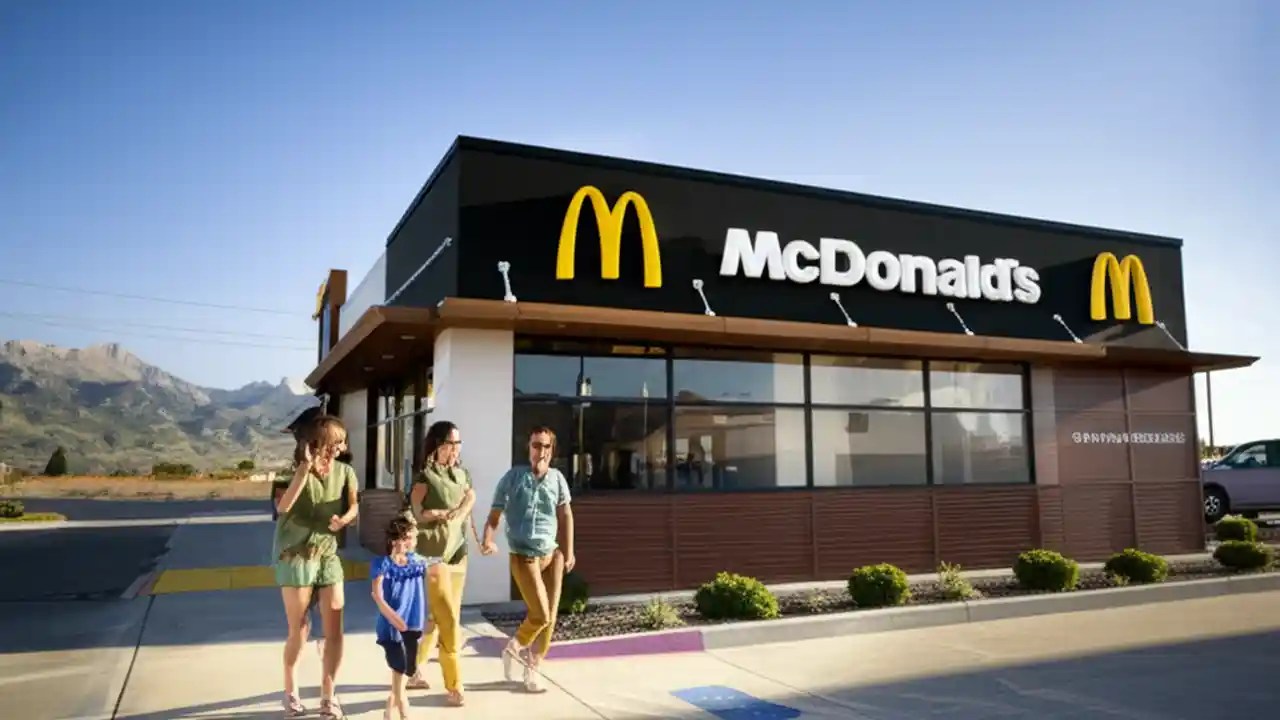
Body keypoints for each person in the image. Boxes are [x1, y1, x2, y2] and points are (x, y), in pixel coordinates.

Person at [273, 414, 359, 719]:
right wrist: (305, 469)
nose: (338, 448)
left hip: (327, 553)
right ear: (314, 444)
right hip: (294, 556)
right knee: (300, 629)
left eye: (341, 442)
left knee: (335, 622)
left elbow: (353, 506)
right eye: (332, 443)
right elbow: (283, 507)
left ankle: (328, 695)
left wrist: (344, 520)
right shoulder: (290, 473)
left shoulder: (346, 472)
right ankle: (290, 691)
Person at [481, 425, 576, 693]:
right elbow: (494, 516)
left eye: (546, 446)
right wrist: (488, 539)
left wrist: (568, 551)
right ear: (529, 448)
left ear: (552, 450)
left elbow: (566, 515)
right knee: (540, 614)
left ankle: (532, 669)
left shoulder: (557, 479)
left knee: (550, 618)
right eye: (536, 445)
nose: (541, 451)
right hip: (524, 556)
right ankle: (513, 647)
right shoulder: (512, 478)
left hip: (552, 555)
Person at [406, 420, 477, 706]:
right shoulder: (425, 477)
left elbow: (471, 496)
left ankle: (412, 670)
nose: (456, 449)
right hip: (432, 556)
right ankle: (454, 684)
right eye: (451, 444)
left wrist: (460, 510)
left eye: (458, 444)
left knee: (437, 620)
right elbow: (415, 512)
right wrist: (433, 513)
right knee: (448, 620)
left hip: (458, 554)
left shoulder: (462, 473)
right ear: (437, 445)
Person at [372, 515, 431, 720]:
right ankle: (404, 712)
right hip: (392, 627)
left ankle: (390, 705)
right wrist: (392, 617)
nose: (415, 541)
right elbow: (377, 594)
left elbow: (437, 567)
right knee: (399, 667)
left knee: (407, 669)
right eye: (412, 537)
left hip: (412, 624)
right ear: (400, 539)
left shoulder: (417, 562)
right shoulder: (382, 565)